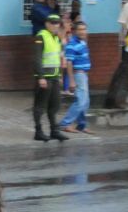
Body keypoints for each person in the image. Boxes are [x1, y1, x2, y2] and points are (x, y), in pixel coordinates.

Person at [32, 13, 67, 142]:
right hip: (45, 77)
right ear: (47, 24)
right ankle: (38, 131)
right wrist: (40, 77)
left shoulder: (57, 38)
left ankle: (54, 131)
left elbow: (58, 58)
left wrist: (60, 76)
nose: (55, 25)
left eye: (57, 23)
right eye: (52, 23)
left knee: (55, 105)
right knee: (40, 106)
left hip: (55, 77)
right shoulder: (41, 36)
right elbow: (37, 58)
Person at [59, 20, 95, 135]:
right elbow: (69, 63)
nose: (82, 32)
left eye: (84, 29)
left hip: (84, 74)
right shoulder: (71, 44)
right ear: (74, 31)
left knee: (86, 102)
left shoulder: (82, 42)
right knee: (80, 101)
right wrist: (72, 81)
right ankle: (65, 123)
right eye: (80, 29)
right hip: (78, 74)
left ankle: (81, 125)